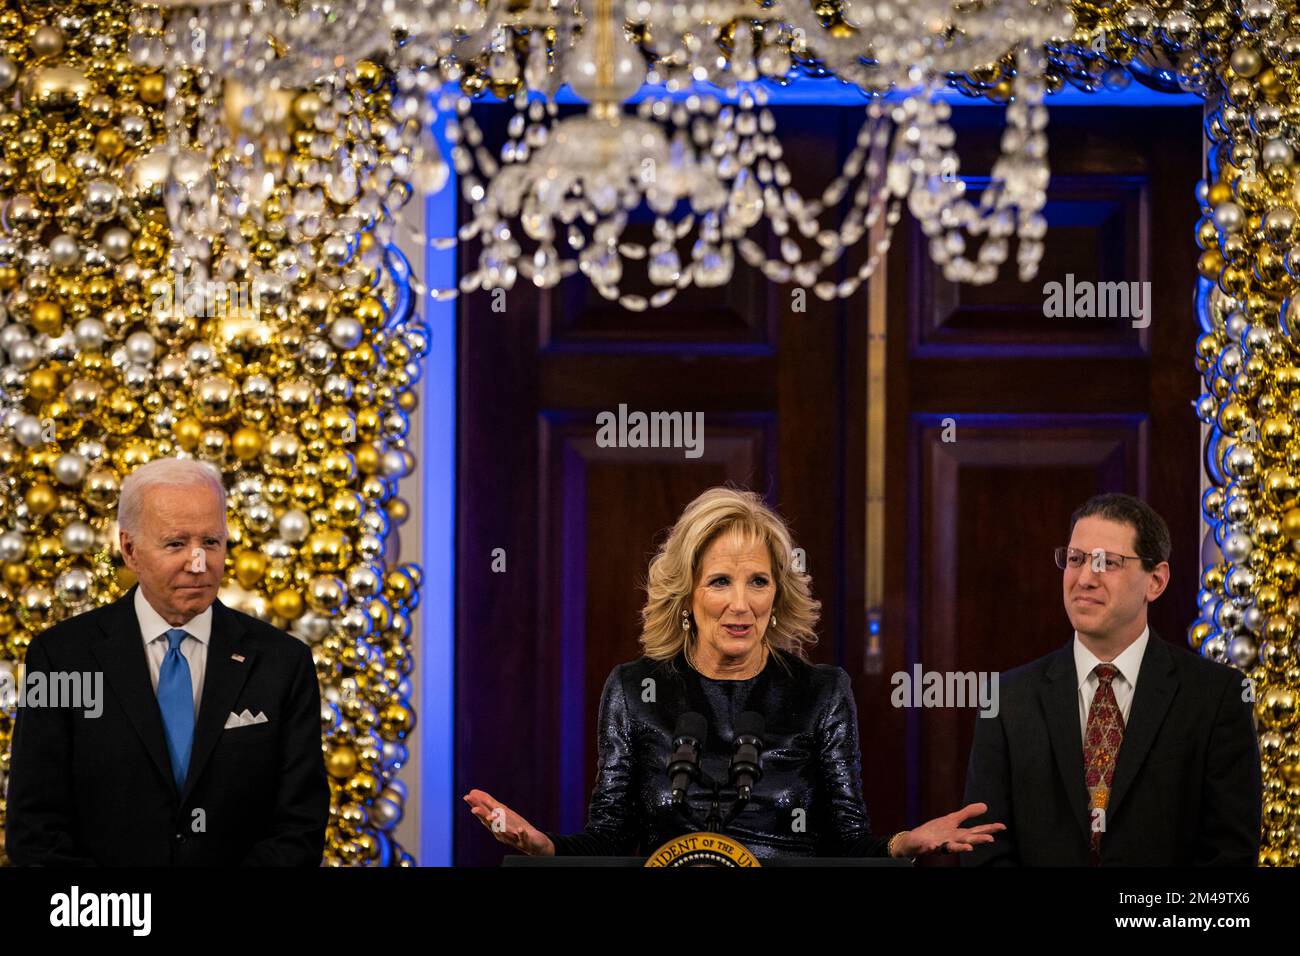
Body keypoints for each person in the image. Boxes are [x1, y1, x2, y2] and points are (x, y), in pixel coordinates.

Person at [465, 486, 1003, 860]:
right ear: (687, 595)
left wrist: (901, 844)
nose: (740, 605)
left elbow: (847, 842)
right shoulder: (634, 690)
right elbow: (610, 836)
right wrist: (546, 846)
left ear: (779, 593)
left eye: (759, 582)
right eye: (720, 581)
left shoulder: (821, 692)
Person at [5, 457, 329, 865]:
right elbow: (34, 832)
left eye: (211, 542)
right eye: (176, 544)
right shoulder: (58, 659)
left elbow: (300, 826)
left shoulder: (284, 662)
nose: (199, 563)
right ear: (129, 549)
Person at [962, 492, 1262, 866]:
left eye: (1107, 562)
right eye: (1075, 559)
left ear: (1156, 581)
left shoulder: (1216, 697)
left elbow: (1230, 853)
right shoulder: (1006, 699)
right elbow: (986, 851)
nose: (1085, 578)